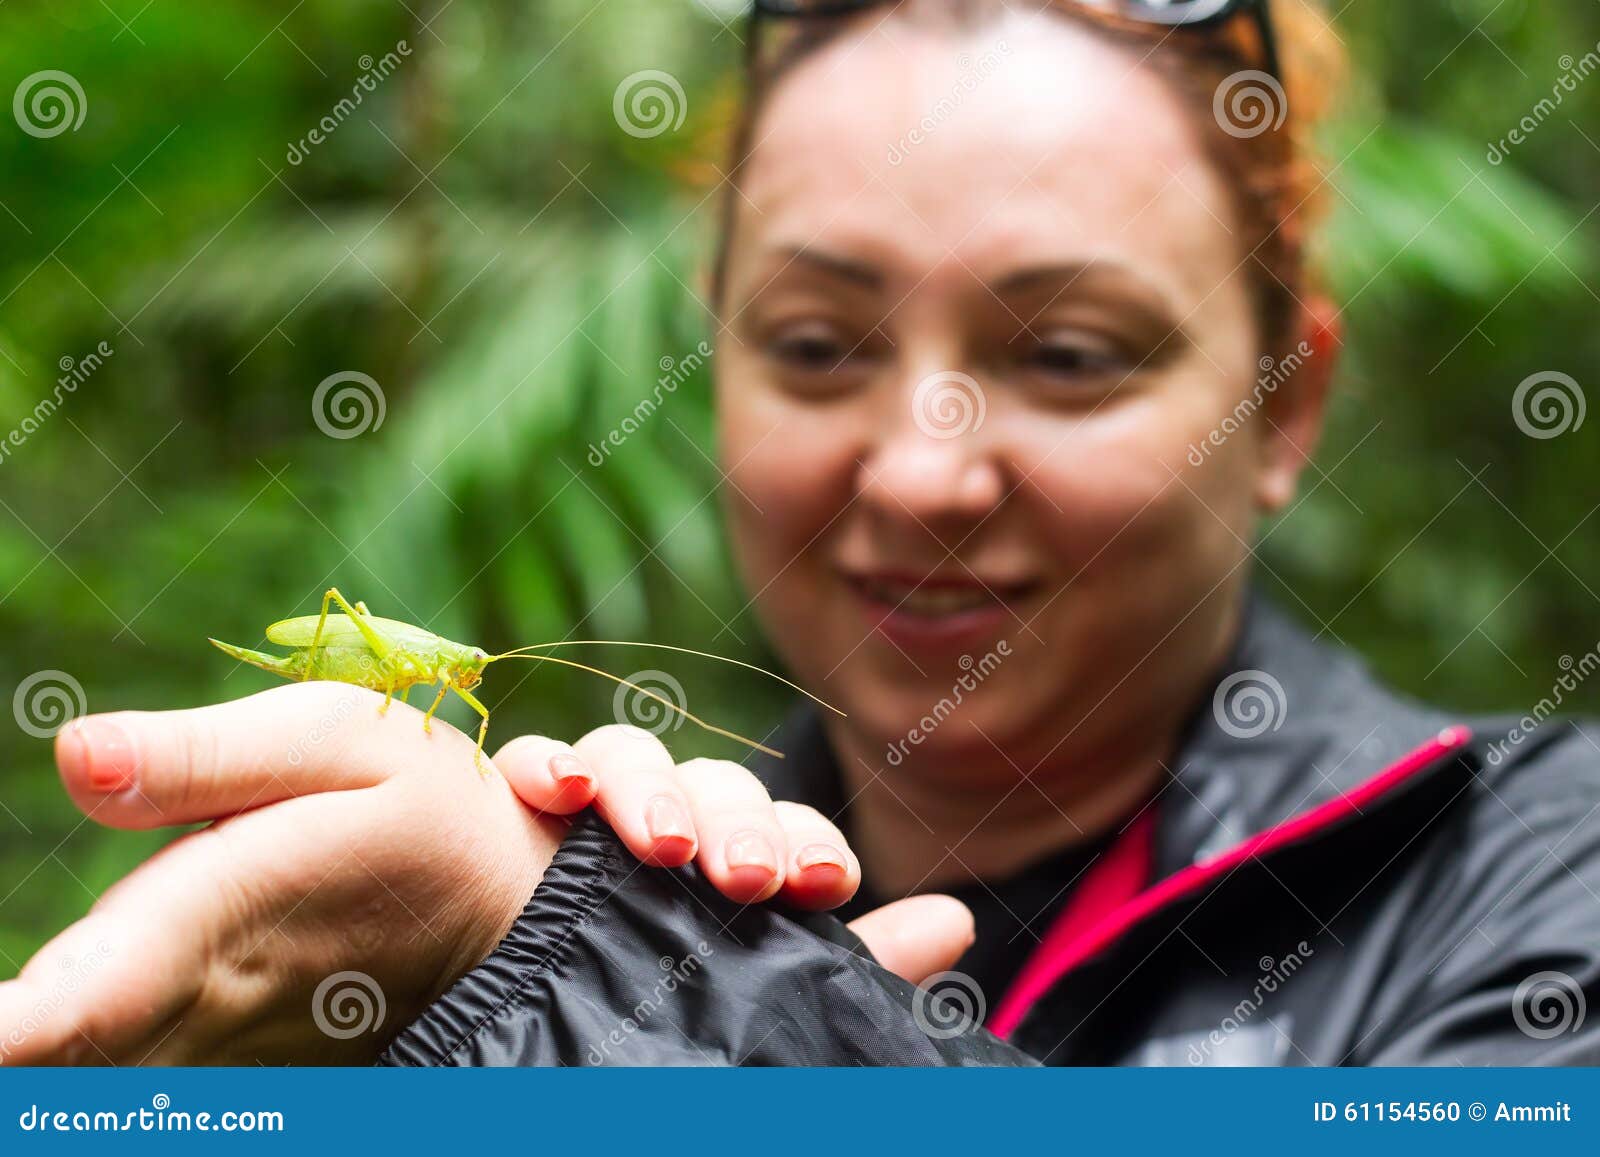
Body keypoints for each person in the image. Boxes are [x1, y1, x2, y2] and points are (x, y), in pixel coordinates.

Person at [5, 0, 1598, 1067]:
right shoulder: (648, 847)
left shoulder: (1541, 875)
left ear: (1286, 404)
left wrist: (572, 969)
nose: (919, 472)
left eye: (1066, 354)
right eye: (818, 345)